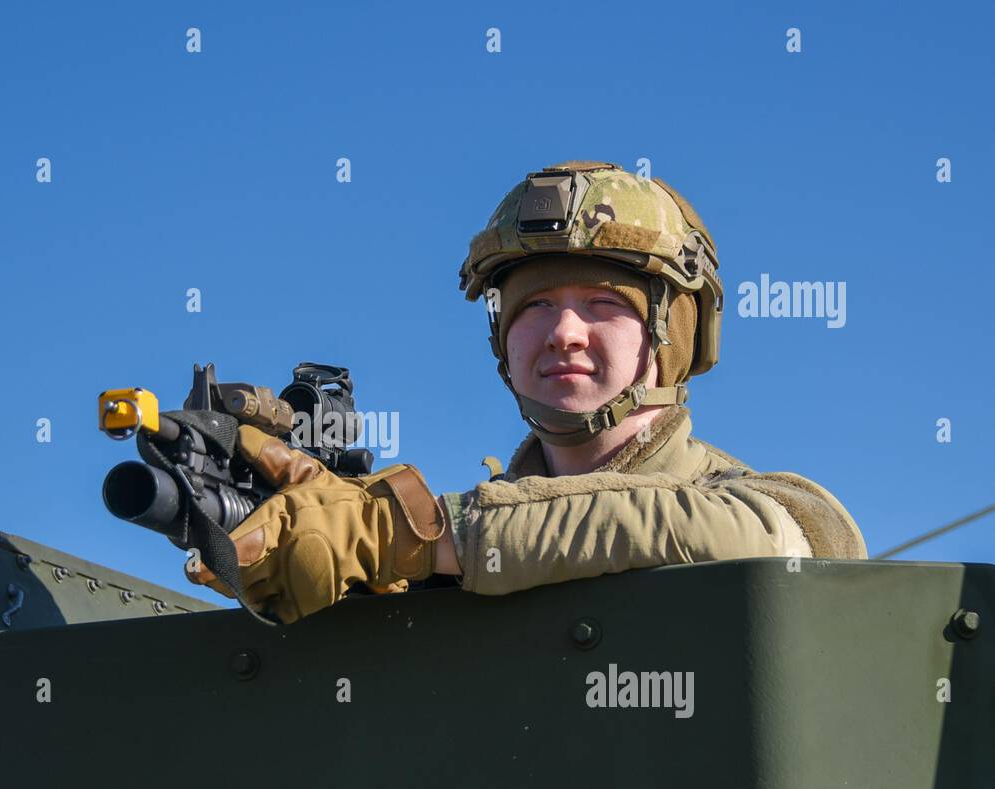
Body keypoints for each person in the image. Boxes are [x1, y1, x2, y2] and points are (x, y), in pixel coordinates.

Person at [186, 161, 867, 624]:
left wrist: (406, 533)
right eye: (534, 306)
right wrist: (290, 541)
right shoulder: (455, 553)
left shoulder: (774, 511)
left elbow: (773, 540)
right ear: (500, 339)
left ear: (673, 334)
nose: (563, 332)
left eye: (604, 302)